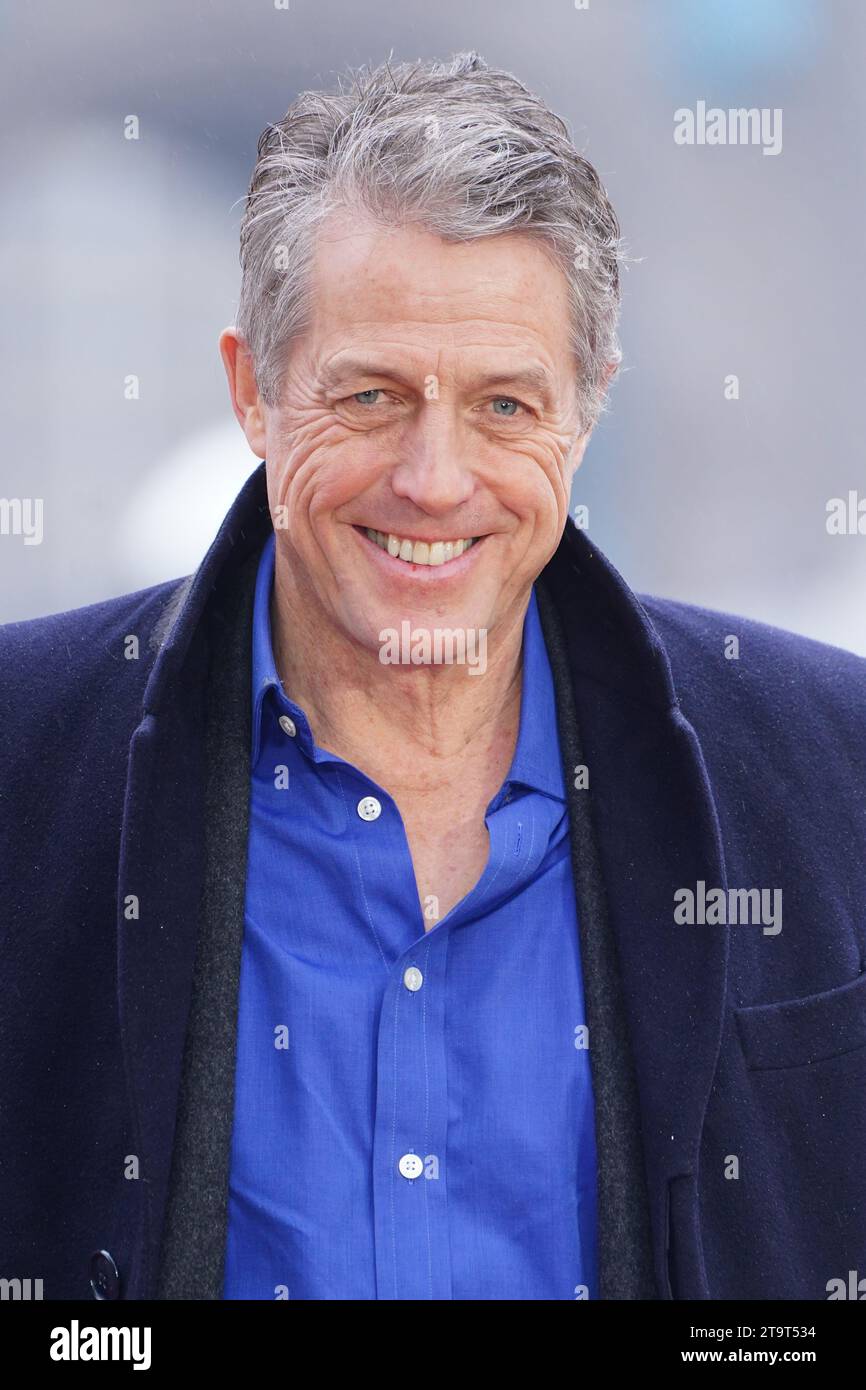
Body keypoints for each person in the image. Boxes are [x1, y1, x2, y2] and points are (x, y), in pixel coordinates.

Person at [2, 51, 865, 1303]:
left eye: (506, 406)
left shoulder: (831, 772)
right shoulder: (24, 766)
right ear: (252, 391)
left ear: (587, 409)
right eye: (369, 396)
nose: (434, 479)